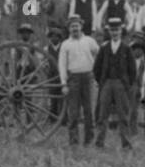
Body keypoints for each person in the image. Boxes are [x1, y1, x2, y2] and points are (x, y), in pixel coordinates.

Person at [94, 18, 137, 150]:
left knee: (123, 114)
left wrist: (126, 84)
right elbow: (97, 68)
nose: (115, 33)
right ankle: (99, 142)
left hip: (121, 84)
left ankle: (126, 143)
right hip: (107, 83)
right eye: (112, 30)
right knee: (102, 114)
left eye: (117, 30)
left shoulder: (126, 48)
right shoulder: (104, 48)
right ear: (109, 32)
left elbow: (132, 70)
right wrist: (102, 81)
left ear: (121, 31)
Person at [57, 16, 99, 146]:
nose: (75, 28)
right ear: (69, 29)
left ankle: (89, 140)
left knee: (89, 111)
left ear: (81, 26)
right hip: (73, 79)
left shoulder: (89, 41)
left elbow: (99, 54)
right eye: (72, 26)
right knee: (73, 112)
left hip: (88, 78)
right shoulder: (65, 44)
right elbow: (62, 65)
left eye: (77, 25)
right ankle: (73, 142)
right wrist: (64, 83)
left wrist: (96, 75)